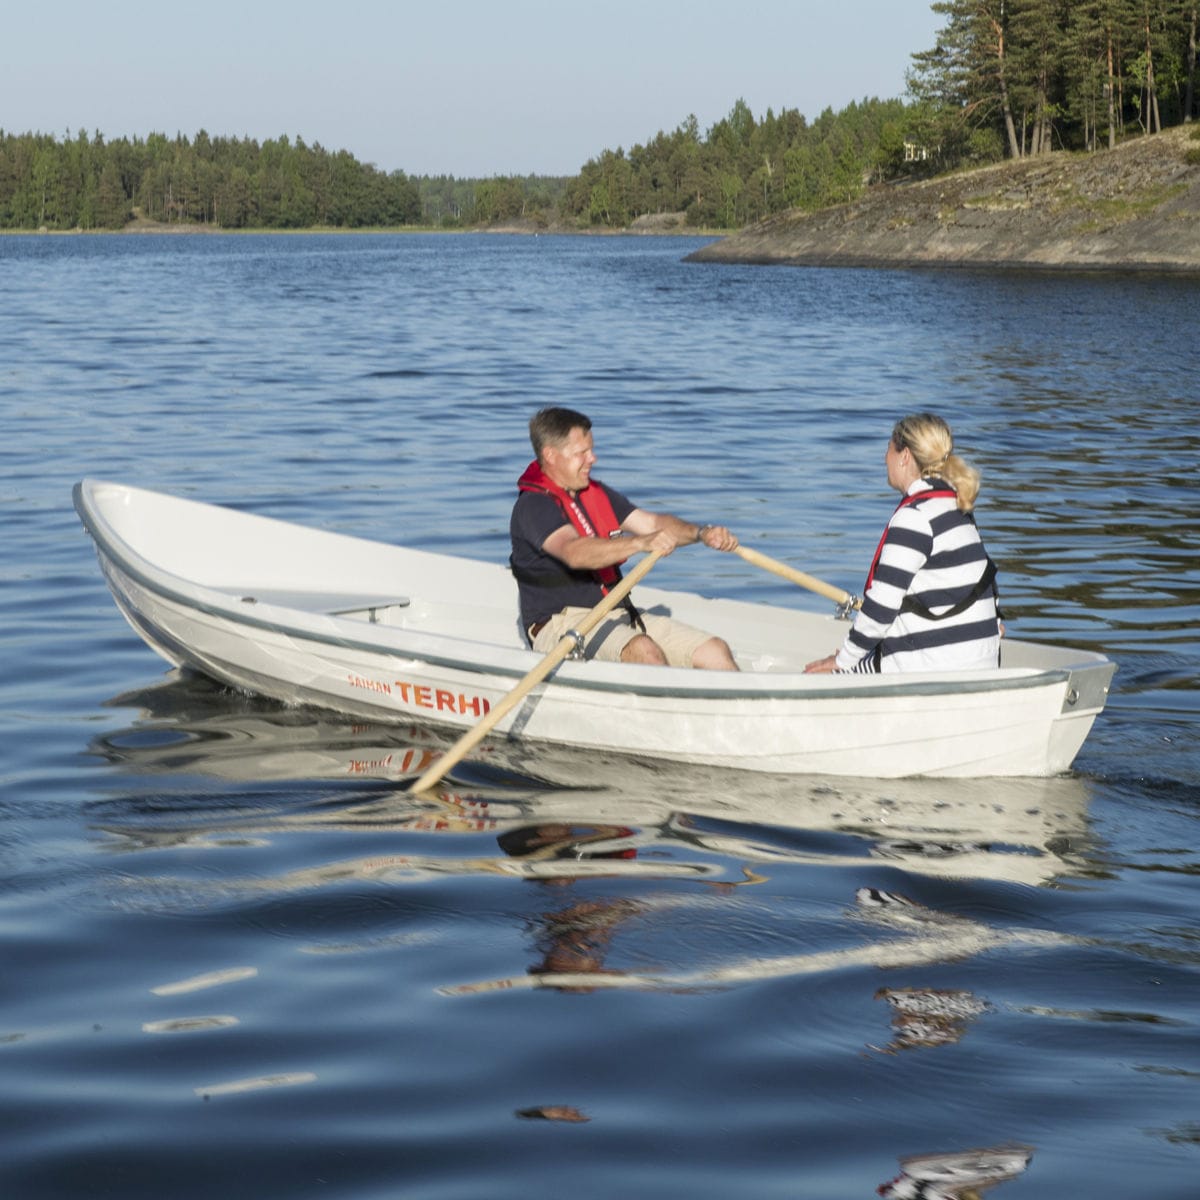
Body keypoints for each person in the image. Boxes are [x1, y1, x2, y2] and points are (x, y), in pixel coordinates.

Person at [509, 406, 740, 670]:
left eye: (591, 450)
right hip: (561, 623)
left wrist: (701, 533)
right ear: (550, 455)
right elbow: (574, 552)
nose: (592, 459)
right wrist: (640, 543)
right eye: (581, 453)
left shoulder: (594, 494)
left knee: (714, 650)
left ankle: (747, 710)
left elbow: (653, 523)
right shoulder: (534, 506)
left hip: (615, 615)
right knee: (644, 651)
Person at [805, 413, 1001, 674]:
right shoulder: (958, 508)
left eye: (888, 448)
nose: (885, 458)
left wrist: (842, 663)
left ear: (905, 456)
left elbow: (880, 610)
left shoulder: (915, 518)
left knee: (816, 674)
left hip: (933, 668)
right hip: (981, 663)